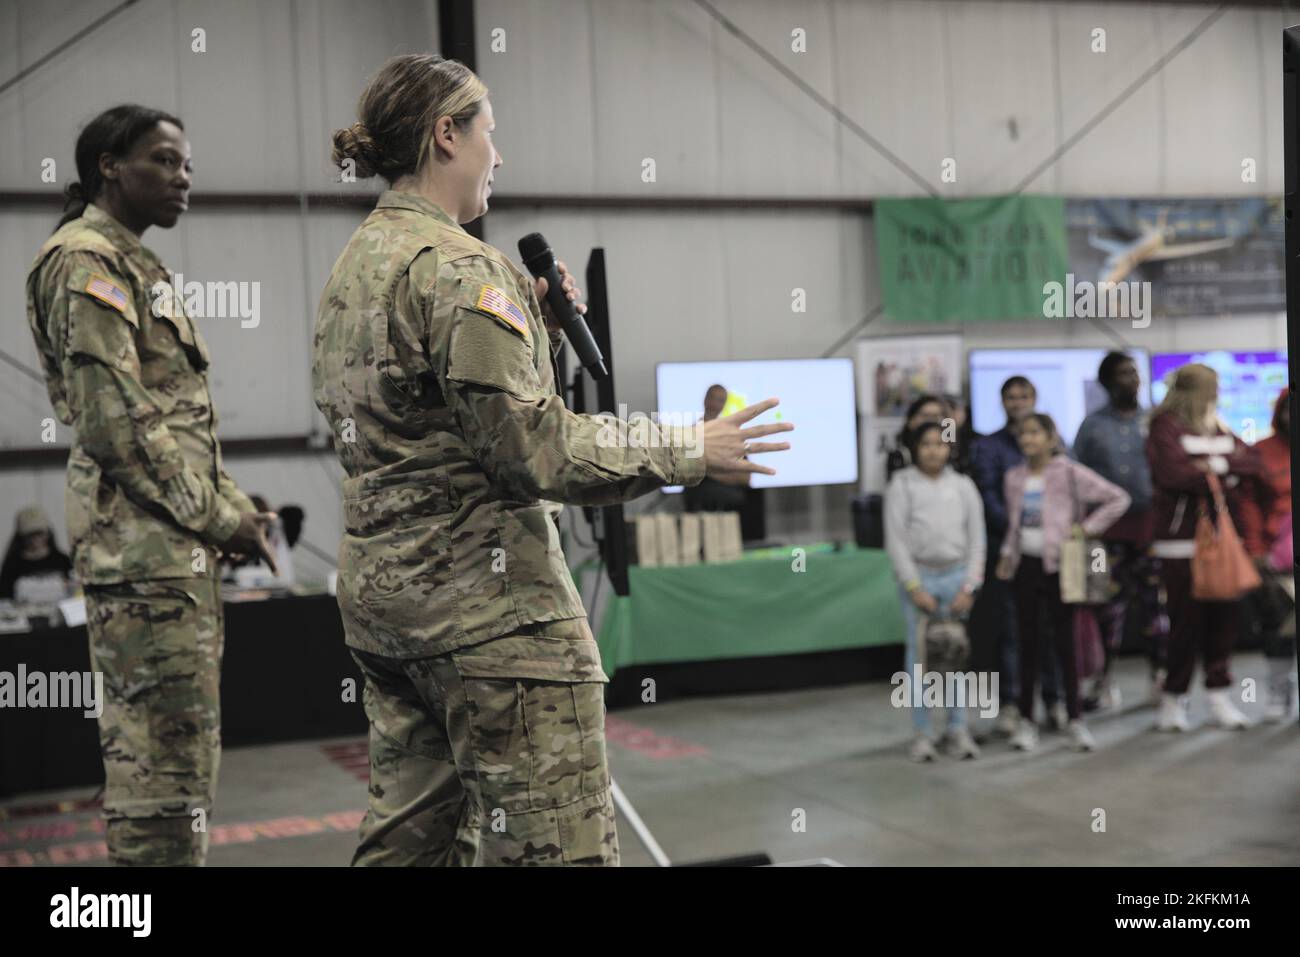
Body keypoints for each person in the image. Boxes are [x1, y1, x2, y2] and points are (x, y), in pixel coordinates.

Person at [313, 54, 791, 867]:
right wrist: (690, 446)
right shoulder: (464, 269)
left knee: (409, 849)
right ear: (446, 134)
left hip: (392, 616)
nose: (498, 155)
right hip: (496, 623)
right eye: (489, 134)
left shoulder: (356, 268)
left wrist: (526, 323)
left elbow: (422, 416)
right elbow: (530, 448)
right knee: (552, 850)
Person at [25, 105, 276, 866]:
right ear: (108, 164)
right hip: (144, 559)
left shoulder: (133, 261)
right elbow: (116, 425)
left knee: (182, 764)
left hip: (168, 553)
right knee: (157, 777)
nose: (183, 177)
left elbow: (178, 416)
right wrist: (214, 516)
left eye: (188, 164)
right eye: (164, 161)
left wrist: (233, 512)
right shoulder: (86, 261)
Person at [997, 414, 1129, 752]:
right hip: (1025, 566)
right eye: (1022, 434)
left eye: (1035, 433)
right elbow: (1014, 524)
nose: (1028, 440)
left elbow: (1118, 498)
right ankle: (1027, 720)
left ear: (1051, 437)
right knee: (1028, 645)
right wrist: (1007, 554)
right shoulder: (1014, 477)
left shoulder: (1069, 472)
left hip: (1062, 567)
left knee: (1066, 644)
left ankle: (1075, 718)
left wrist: (1085, 528)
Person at [1146, 364, 1259, 732]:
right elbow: (1173, 474)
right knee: (1185, 623)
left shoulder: (1219, 424)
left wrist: (1211, 466)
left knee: (1224, 619)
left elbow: (1252, 463)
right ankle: (1173, 698)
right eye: (1212, 388)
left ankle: (1219, 694)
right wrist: (1223, 468)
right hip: (1180, 542)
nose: (1216, 395)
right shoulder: (1164, 425)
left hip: (1225, 542)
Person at [884, 421, 985, 761]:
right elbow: (896, 540)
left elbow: (977, 540)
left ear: (949, 448)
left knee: (955, 656)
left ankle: (957, 729)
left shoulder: (963, 486)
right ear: (915, 448)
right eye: (925, 444)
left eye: (939, 443)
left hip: (956, 579)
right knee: (920, 660)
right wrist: (913, 586)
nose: (933, 450)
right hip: (921, 581)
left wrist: (969, 585)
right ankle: (922, 733)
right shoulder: (903, 485)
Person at [969, 376, 1063, 734]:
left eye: (1025, 396)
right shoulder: (989, 447)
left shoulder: (1057, 443)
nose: (1018, 402)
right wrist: (1018, 528)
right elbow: (988, 495)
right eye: (1011, 397)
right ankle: (1012, 704)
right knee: (1012, 631)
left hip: (1050, 553)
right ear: (1002, 401)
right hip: (1010, 550)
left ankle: (1054, 701)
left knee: (1052, 630)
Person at [1073, 351, 1161, 710]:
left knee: (1156, 610)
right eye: (1124, 374)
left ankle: (1160, 679)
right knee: (1105, 611)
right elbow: (1076, 479)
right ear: (1109, 382)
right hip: (1104, 537)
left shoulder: (1154, 421)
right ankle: (1101, 681)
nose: (1133, 380)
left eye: (1135, 373)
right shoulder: (1092, 426)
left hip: (1150, 531)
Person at [1239, 389, 1295, 722]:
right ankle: (1278, 690)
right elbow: (1248, 506)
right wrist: (1256, 548)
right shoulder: (1260, 452)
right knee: (1276, 625)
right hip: (1275, 556)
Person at [683, 384, 748, 512]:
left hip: (729, 507)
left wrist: (708, 470)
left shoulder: (731, 435)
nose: (714, 404)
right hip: (698, 504)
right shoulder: (690, 434)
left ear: (724, 405)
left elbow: (745, 477)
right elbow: (687, 471)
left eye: (720, 400)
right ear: (705, 400)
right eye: (712, 398)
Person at [0, 506, 74, 601]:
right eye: (30, 535)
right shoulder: (12, 564)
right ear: (21, 537)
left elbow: (74, 592)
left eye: (39, 533)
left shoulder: (62, 560)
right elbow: (4, 597)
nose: (35, 540)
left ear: (48, 534)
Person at [884, 393, 944, 482]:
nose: (931, 422)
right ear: (911, 420)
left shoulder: (949, 450)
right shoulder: (900, 456)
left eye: (936, 416)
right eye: (926, 416)